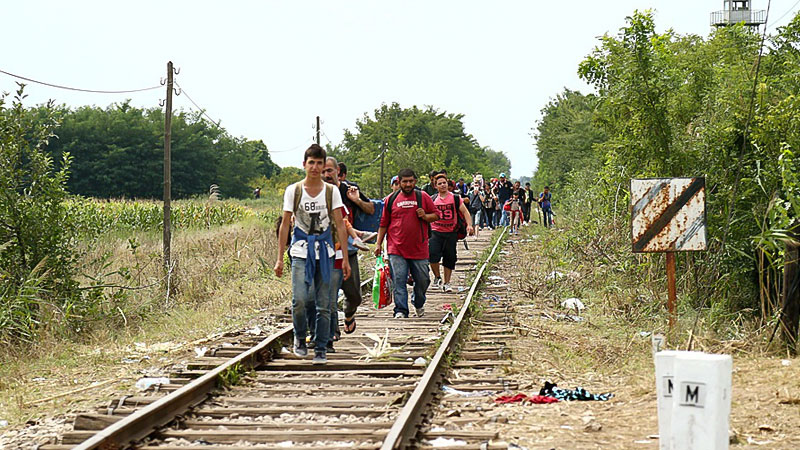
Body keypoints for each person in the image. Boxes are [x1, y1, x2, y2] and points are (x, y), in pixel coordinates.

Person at [274, 144, 351, 365]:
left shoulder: (331, 191)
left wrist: (344, 258)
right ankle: (300, 337)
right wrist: (280, 257)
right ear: (304, 164)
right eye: (312, 163)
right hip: (299, 251)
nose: (315, 167)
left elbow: (340, 224)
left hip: (325, 253)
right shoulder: (294, 190)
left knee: (324, 303)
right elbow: (285, 225)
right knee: (300, 300)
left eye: (319, 163)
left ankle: (320, 347)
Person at [373, 168, 439, 318]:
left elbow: (436, 215)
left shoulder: (423, 197)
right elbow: (383, 224)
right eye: (405, 181)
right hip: (396, 248)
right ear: (399, 182)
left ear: (415, 181)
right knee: (399, 280)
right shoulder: (391, 199)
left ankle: (418, 302)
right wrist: (378, 244)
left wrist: (425, 216)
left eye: (410, 181)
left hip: (419, 248)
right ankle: (401, 310)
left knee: (423, 280)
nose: (408, 184)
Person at [321, 157, 373, 341]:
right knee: (329, 294)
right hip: (325, 251)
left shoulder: (348, 189)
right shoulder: (314, 191)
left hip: (348, 250)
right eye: (322, 171)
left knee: (354, 295)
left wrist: (357, 200)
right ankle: (332, 332)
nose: (326, 175)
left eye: (329, 171)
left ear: (339, 173)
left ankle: (349, 314)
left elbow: (371, 210)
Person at [429, 174, 473, 292]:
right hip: (435, 232)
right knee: (432, 256)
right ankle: (437, 277)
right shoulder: (432, 199)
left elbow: (465, 212)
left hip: (451, 232)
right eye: (440, 183)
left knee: (450, 258)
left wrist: (469, 225)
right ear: (435, 186)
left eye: (444, 183)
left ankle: (447, 283)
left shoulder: (455, 198)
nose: (443, 185)